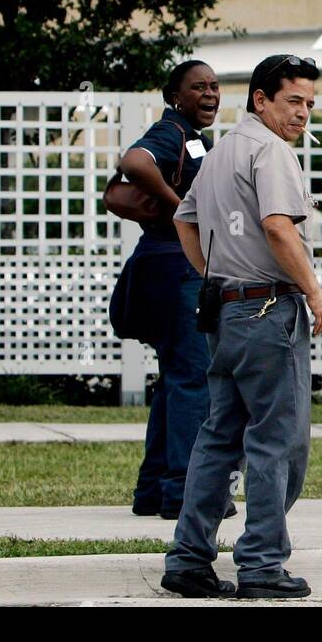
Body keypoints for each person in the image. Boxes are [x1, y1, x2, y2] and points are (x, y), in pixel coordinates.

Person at [161, 54, 322, 600]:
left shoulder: (220, 151)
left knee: (217, 437)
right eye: (293, 102)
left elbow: (183, 219)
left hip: (224, 309)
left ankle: (188, 558)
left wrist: (213, 274)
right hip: (267, 310)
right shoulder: (270, 150)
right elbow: (279, 228)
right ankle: (260, 563)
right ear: (260, 99)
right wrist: (313, 289)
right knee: (277, 439)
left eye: (309, 103)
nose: (303, 114)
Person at [110, 60, 237, 520]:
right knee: (193, 379)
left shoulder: (193, 138)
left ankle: (154, 489)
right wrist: (181, 206)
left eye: (214, 85)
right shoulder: (171, 132)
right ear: (176, 96)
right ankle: (185, 492)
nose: (209, 94)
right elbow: (133, 162)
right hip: (173, 265)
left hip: (164, 265)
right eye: (198, 87)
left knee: (175, 379)